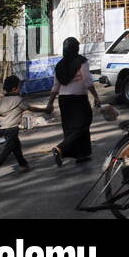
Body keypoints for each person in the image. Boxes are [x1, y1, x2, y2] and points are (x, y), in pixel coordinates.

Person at [45, 37, 102, 165]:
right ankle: (61, 148)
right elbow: (87, 81)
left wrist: (50, 103)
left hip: (64, 101)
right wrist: (96, 96)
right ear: (76, 48)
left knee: (70, 128)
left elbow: (55, 86)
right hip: (78, 99)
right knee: (84, 124)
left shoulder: (59, 65)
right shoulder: (81, 62)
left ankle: (80, 155)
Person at [0, 75, 33, 179]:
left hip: (3, 128)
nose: (21, 88)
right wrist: (46, 110)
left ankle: (23, 164)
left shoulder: (2, 100)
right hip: (12, 128)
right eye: (20, 86)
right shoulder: (18, 99)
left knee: (16, 145)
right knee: (7, 148)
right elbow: (30, 108)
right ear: (15, 89)